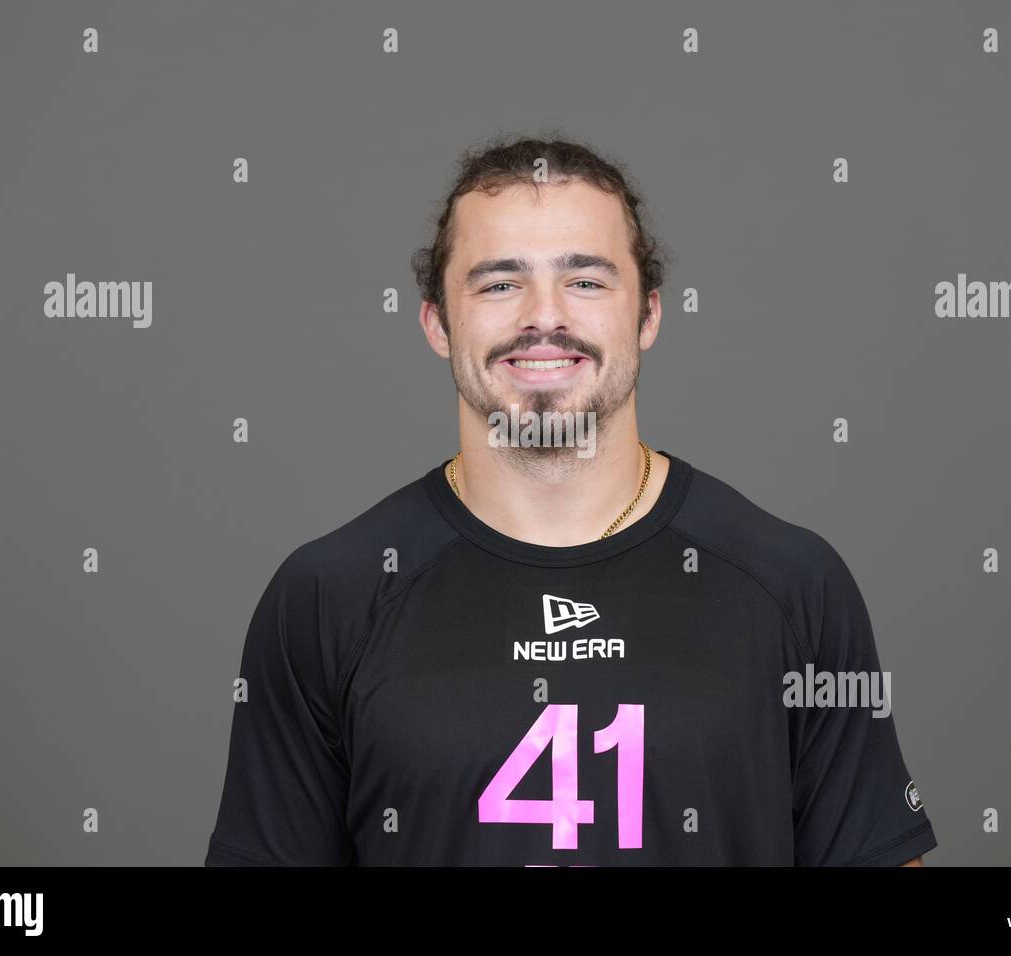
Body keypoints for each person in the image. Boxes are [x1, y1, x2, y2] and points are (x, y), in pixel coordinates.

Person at [204, 135, 937, 866]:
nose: (543, 316)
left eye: (585, 281)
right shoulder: (328, 596)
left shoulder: (792, 584)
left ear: (647, 316)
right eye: (498, 283)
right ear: (436, 322)